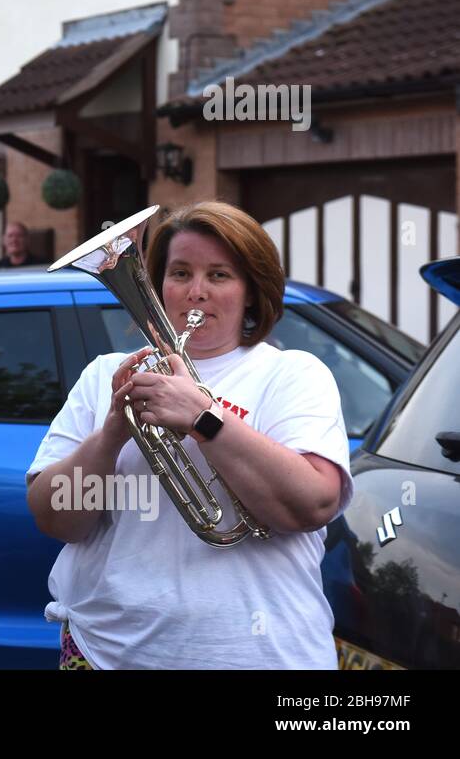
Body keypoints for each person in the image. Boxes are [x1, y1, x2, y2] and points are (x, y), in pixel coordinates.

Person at [25, 201, 352, 669]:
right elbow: (54, 519)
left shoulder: (292, 374)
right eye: (180, 274)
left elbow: (313, 504)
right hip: (109, 654)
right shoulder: (104, 376)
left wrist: (204, 418)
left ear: (252, 293)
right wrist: (112, 434)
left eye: (219, 276)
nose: (196, 292)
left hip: (257, 656)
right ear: (158, 285)